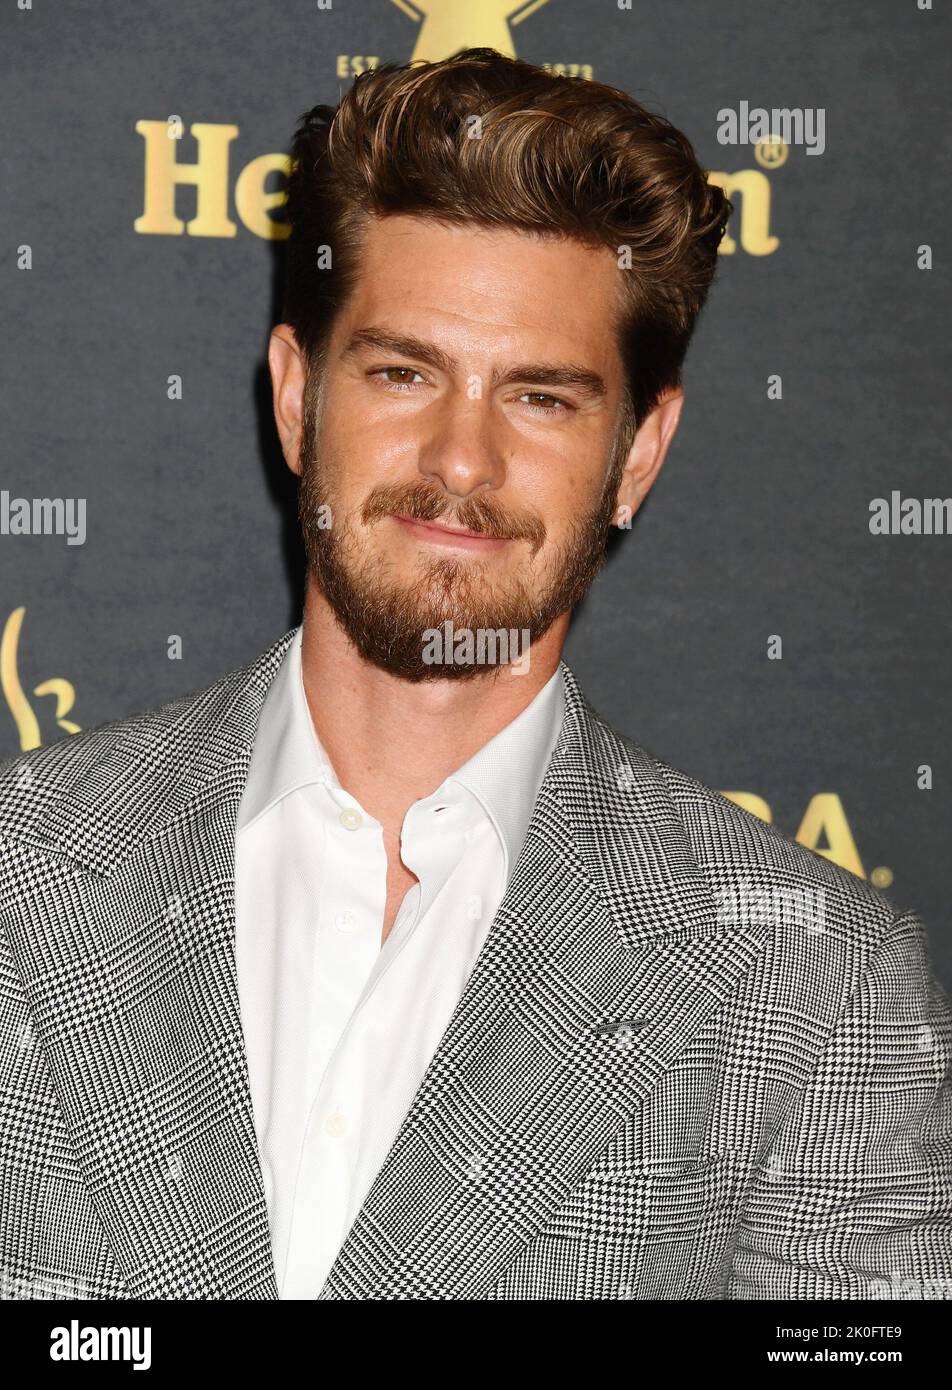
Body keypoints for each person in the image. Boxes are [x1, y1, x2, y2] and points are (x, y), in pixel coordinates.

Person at [1, 48, 949, 1302]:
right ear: (296, 399)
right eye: (403, 373)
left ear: (637, 454)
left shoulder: (821, 985)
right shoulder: (22, 875)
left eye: (542, 399)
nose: (461, 460)